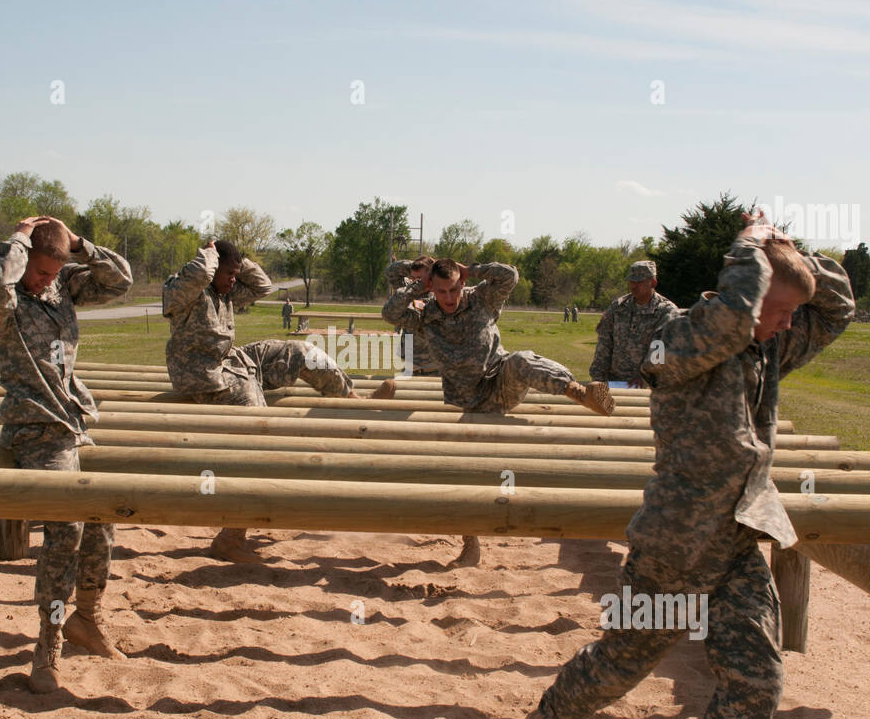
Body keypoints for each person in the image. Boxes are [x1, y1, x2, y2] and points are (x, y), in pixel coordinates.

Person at [508, 214, 855, 719]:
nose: (789, 324)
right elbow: (739, 314)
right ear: (742, 291)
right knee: (618, 668)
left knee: (757, 680)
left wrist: (787, 252)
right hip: (674, 553)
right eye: (781, 310)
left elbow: (837, 307)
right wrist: (750, 248)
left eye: (792, 314)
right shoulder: (679, 339)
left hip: (738, 544)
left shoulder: (767, 344)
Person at [0, 215, 132, 694]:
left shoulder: (60, 288)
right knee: (66, 528)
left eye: (54, 271)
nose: (46, 280)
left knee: (105, 513)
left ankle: (87, 617)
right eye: (40, 271)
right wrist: (18, 241)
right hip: (35, 426)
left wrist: (78, 244)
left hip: (74, 420)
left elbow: (119, 279)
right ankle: (48, 643)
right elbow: (0, 287)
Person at [163, 238, 396, 563]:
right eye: (228, 273)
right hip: (205, 374)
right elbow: (195, 278)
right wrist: (209, 256)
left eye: (235, 273)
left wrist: (236, 263)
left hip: (232, 360)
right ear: (211, 268)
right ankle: (231, 535)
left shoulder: (224, 292)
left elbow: (263, 285)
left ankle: (354, 398)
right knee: (261, 435)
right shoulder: (185, 291)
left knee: (301, 352)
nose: (233, 279)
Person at [384, 256, 614, 564]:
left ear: (461, 283)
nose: (449, 298)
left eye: (453, 289)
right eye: (441, 292)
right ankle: (471, 544)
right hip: (467, 403)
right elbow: (390, 313)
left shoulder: (481, 299)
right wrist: (416, 288)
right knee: (463, 476)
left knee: (520, 359)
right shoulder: (426, 317)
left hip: (498, 386)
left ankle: (579, 393)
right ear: (432, 289)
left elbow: (509, 275)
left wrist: (472, 270)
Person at [590, 261, 680, 389]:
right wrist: (597, 379)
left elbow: (661, 352)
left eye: (639, 282)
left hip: (647, 386)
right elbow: (604, 344)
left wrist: (645, 378)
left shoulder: (666, 311)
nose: (633, 286)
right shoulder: (618, 307)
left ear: (653, 283)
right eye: (632, 281)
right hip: (614, 383)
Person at [388, 255, 439, 376]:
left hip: (435, 370)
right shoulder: (408, 290)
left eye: (421, 278)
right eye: (413, 278)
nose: (417, 283)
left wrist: (434, 268)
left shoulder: (440, 295)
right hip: (410, 368)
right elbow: (391, 271)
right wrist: (414, 265)